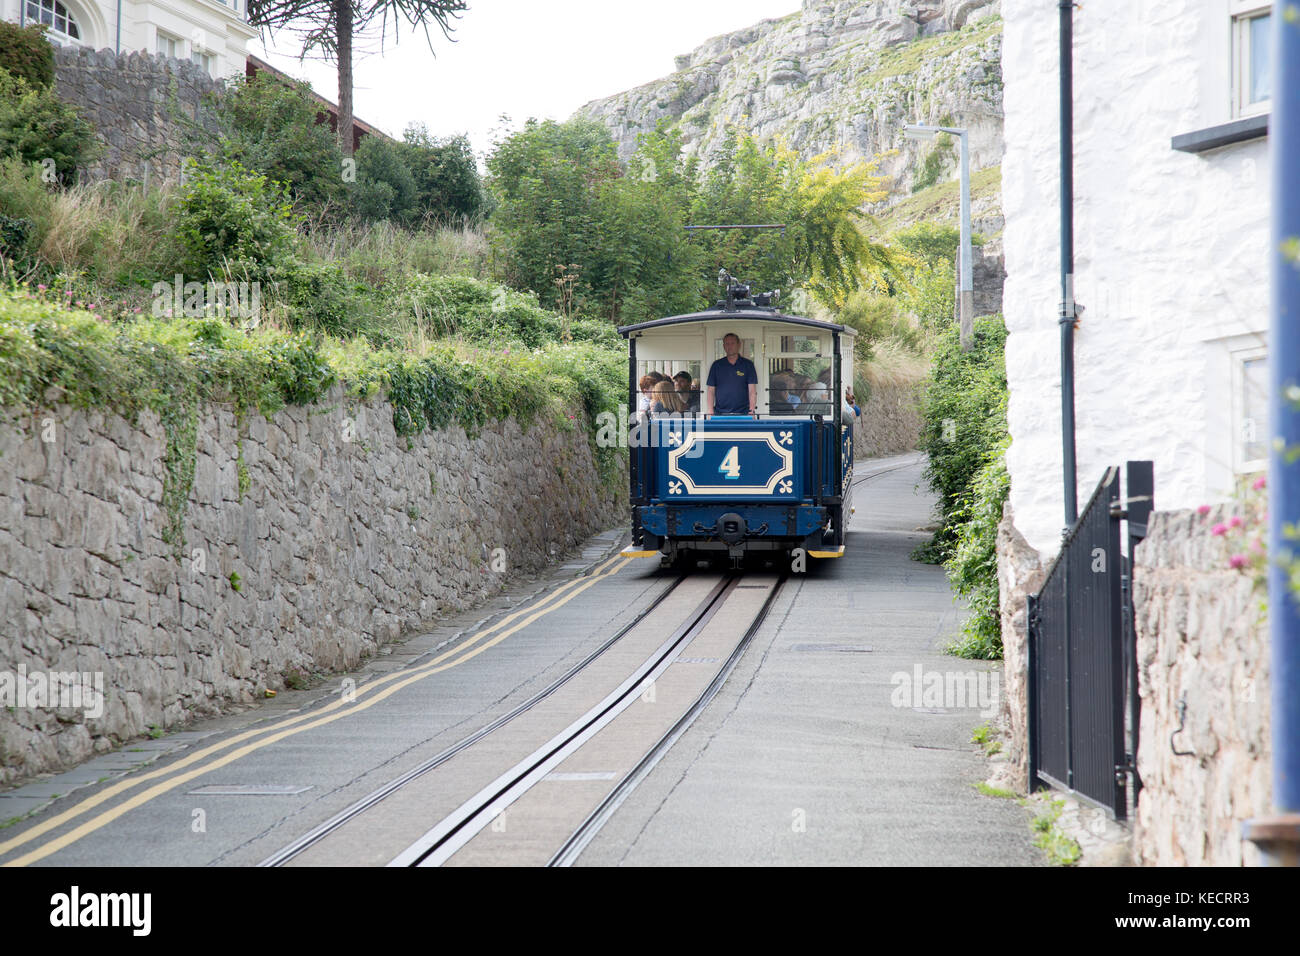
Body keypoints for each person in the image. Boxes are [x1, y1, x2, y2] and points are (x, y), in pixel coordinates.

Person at [706, 333, 757, 416]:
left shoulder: (748, 365)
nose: (730, 346)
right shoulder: (716, 365)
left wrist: (751, 411)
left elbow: (752, 391)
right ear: (723, 346)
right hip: (719, 414)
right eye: (727, 344)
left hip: (743, 413)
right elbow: (710, 391)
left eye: (732, 343)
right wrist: (710, 412)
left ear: (739, 345)